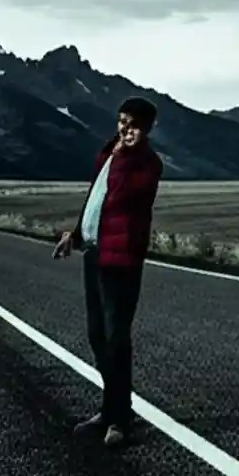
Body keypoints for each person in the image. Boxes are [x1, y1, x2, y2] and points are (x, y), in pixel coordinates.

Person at [53, 96, 164, 447]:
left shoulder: (147, 163)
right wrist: (75, 232)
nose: (124, 128)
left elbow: (132, 195)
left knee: (116, 338)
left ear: (146, 129)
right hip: (95, 254)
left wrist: (128, 152)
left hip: (121, 260)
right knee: (97, 335)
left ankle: (119, 418)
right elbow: (97, 200)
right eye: (121, 120)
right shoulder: (109, 154)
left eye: (133, 123)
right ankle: (112, 407)